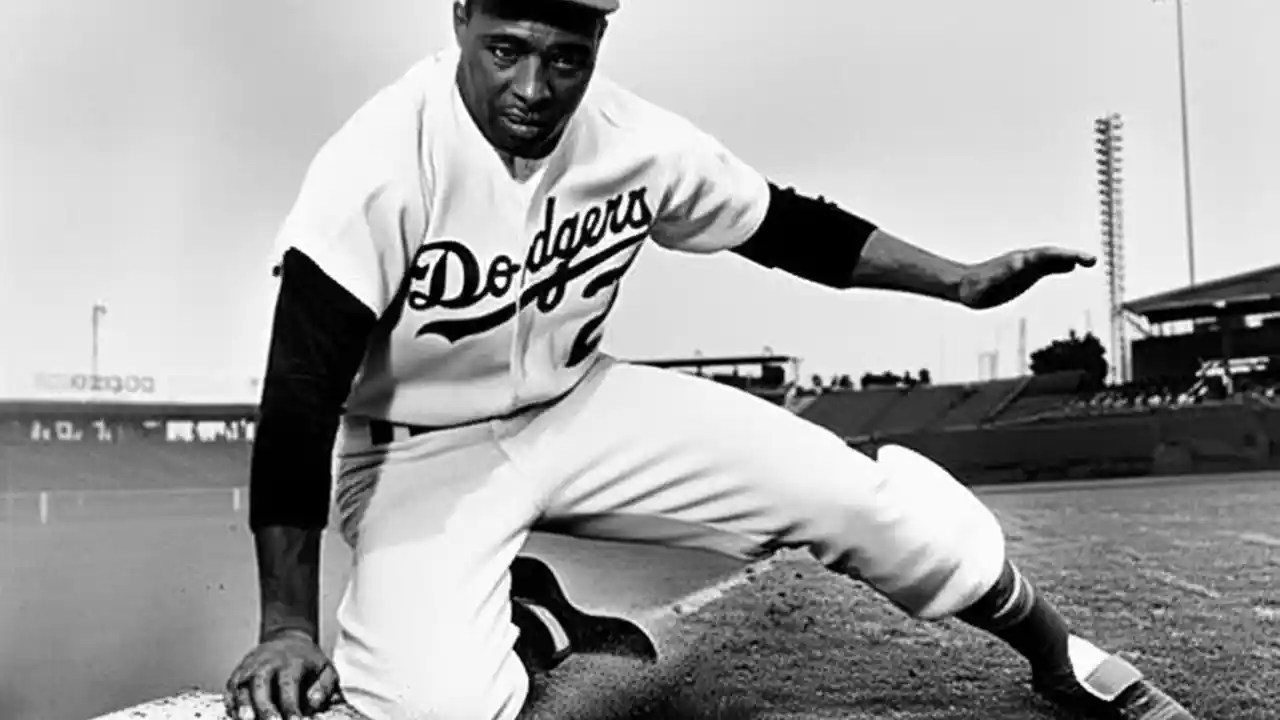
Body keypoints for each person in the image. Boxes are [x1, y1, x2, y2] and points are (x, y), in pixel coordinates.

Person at [223, 1, 1196, 718]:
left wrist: (956, 283)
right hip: (410, 455)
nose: (532, 88)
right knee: (433, 707)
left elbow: (787, 228)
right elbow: (299, 393)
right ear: (460, 17)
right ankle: (524, 619)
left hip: (577, 407)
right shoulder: (380, 163)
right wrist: (282, 624)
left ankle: (1055, 652)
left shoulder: (632, 143)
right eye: (506, 49)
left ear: (601, 38)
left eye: (566, 56)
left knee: (856, 500)